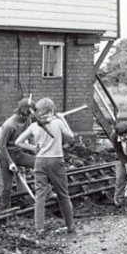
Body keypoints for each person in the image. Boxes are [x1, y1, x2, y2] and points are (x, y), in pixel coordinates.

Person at [15, 97, 76, 233]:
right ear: (52, 110)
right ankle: (70, 226)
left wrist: (33, 148)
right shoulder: (58, 123)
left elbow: (18, 142)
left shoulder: (34, 126)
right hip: (56, 160)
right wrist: (63, 119)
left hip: (40, 161)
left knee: (40, 197)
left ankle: (39, 229)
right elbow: (71, 137)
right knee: (63, 195)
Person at [0, 98, 36, 210]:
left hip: (18, 152)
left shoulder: (27, 120)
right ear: (24, 112)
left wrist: (36, 150)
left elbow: (30, 136)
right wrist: (10, 163)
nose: (31, 117)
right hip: (5, 154)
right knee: (7, 187)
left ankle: (46, 193)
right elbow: (1, 146)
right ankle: (3, 210)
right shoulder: (9, 125)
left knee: (39, 163)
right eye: (30, 114)